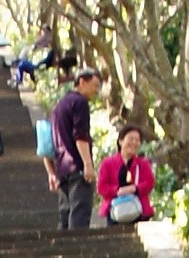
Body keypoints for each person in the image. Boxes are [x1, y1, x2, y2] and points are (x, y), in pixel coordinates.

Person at [47, 68, 95, 229]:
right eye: (94, 85)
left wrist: (51, 172)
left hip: (62, 168)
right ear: (82, 82)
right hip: (77, 167)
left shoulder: (58, 106)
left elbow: (46, 143)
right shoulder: (80, 102)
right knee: (79, 216)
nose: (96, 91)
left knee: (65, 217)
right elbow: (80, 135)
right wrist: (88, 164)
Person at [98, 125, 156, 229]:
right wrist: (117, 191)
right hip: (115, 211)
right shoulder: (107, 163)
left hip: (139, 211)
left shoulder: (143, 163)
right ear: (121, 141)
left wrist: (134, 188)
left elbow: (149, 183)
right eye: (131, 139)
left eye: (137, 140)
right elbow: (102, 187)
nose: (134, 143)